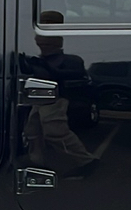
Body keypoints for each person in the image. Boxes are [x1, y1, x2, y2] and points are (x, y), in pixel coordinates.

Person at [21, 11, 97, 177]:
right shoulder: (42, 56)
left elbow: (71, 74)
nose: (42, 42)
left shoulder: (67, 58)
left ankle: (85, 160)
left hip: (56, 97)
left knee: (55, 131)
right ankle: (37, 161)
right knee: (32, 130)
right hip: (39, 97)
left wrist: (46, 68)